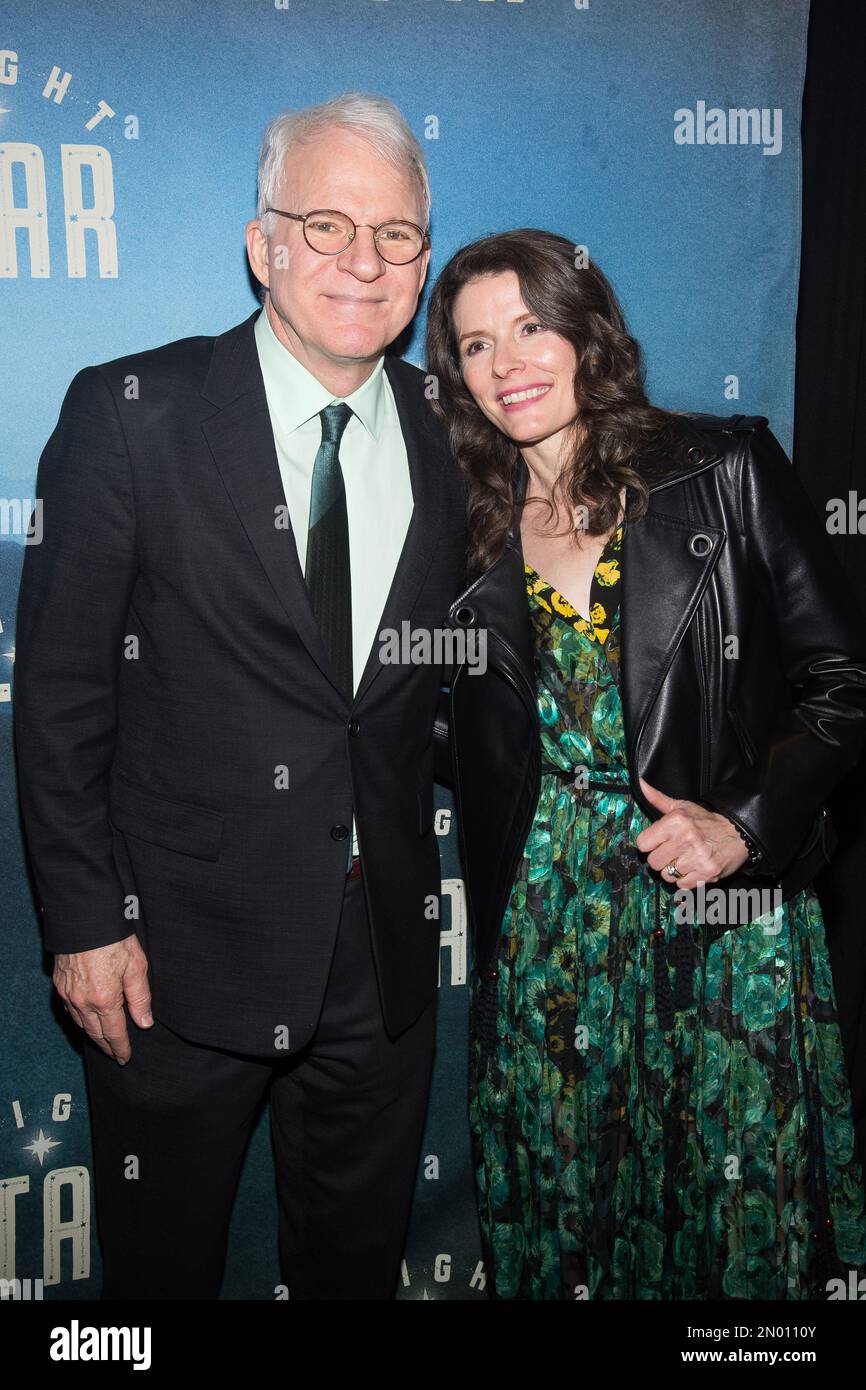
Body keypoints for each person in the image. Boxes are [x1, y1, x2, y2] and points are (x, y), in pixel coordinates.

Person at [14, 92, 466, 1301]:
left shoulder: (449, 434)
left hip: (378, 968)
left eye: (396, 234)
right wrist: (82, 927)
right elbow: (57, 694)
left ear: (424, 261)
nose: (362, 261)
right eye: (325, 223)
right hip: (171, 960)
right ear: (261, 244)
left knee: (352, 1274)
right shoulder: (131, 415)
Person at [426, 228, 866, 1299]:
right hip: (547, 921)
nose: (508, 363)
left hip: (716, 910)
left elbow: (842, 681)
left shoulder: (719, 468)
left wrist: (743, 821)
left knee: (726, 1217)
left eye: (531, 327)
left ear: (585, 335)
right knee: (568, 1204)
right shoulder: (460, 530)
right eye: (476, 346)